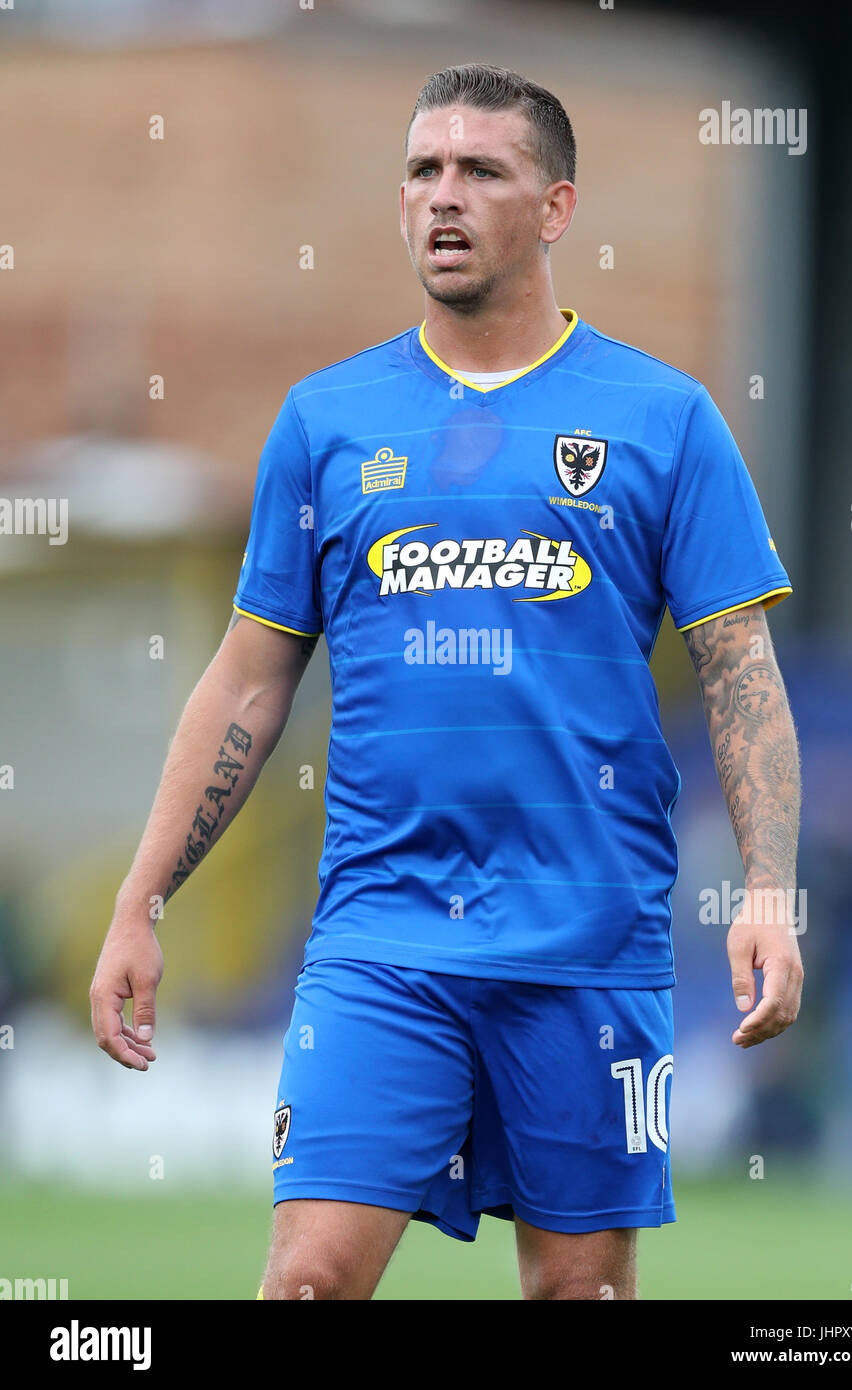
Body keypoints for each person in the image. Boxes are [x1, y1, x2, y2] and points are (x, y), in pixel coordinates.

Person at [91, 63, 803, 1301]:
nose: (443, 197)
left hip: (587, 934)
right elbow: (250, 678)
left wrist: (767, 892)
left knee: (576, 1292)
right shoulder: (330, 421)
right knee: (306, 1277)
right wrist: (141, 897)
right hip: (382, 936)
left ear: (557, 205)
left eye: (481, 170)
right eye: (422, 171)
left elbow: (739, 668)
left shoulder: (662, 418)